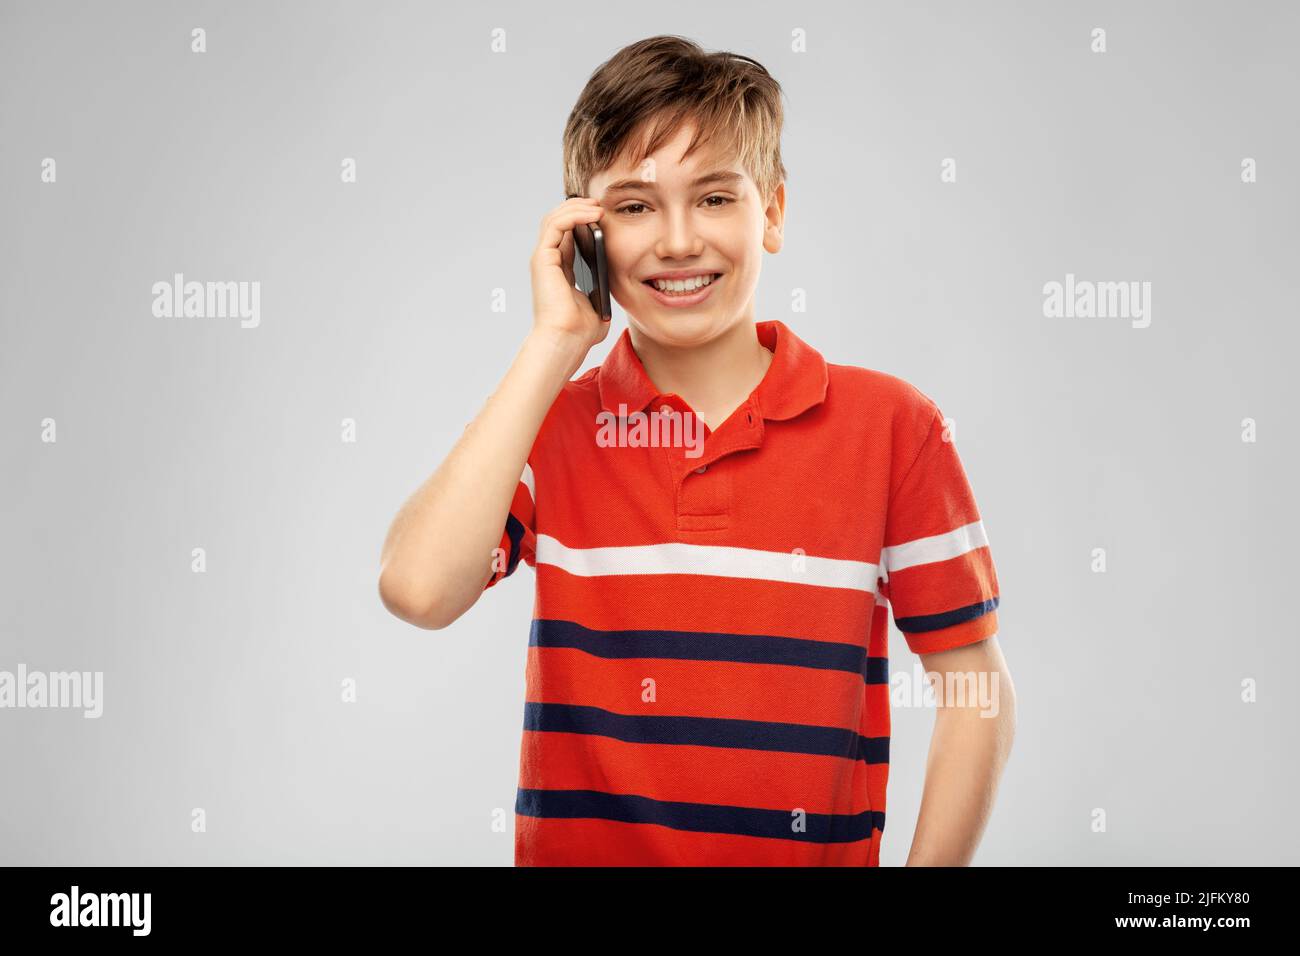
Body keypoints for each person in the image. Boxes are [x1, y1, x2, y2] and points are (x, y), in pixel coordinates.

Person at [379, 35, 1014, 866]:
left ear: (774, 213)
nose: (678, 242)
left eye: (715, 198)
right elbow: (418, 588)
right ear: (585, 236)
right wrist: (553, 343)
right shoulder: (550, 426)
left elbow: (975, 690)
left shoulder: (892, 428)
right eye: (636, 207)